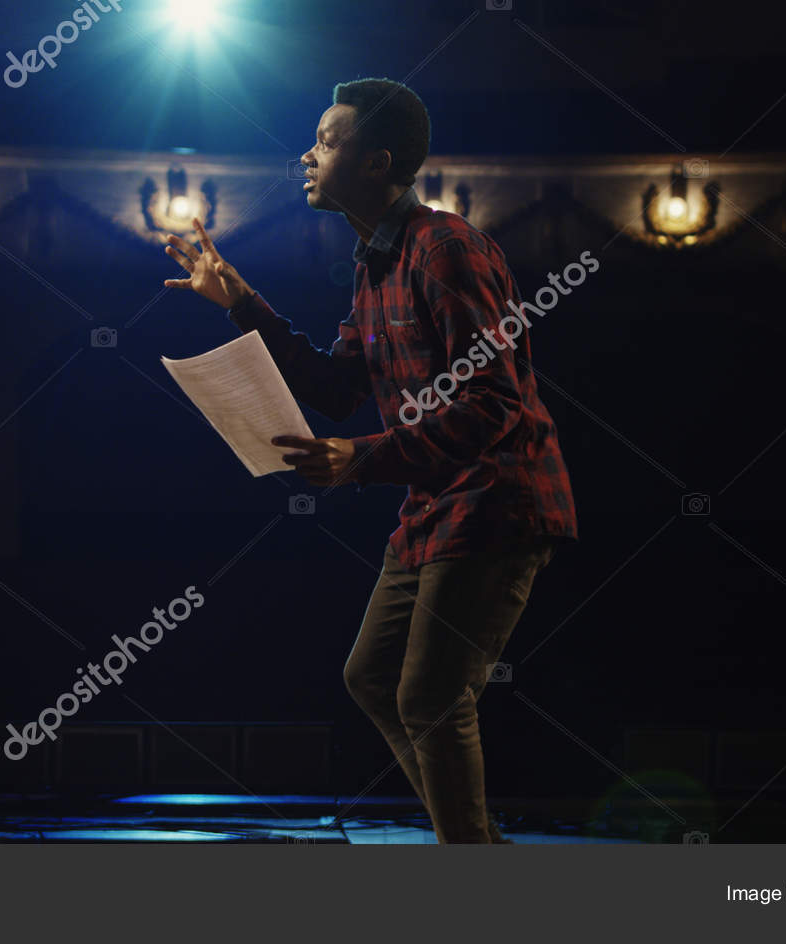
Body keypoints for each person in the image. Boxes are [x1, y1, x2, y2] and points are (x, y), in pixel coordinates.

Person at [163, 77, 577, 843]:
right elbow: (337, 390)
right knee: (373, 678)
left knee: (429, 697)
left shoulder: (447, 248)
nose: (306, 155)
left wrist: (361, 458)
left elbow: (493, 405)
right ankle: (478, 846)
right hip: (434, 501)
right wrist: (242, 302)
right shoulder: (375, 264)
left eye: (325, 141)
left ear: (377, 163)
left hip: (496, 499)